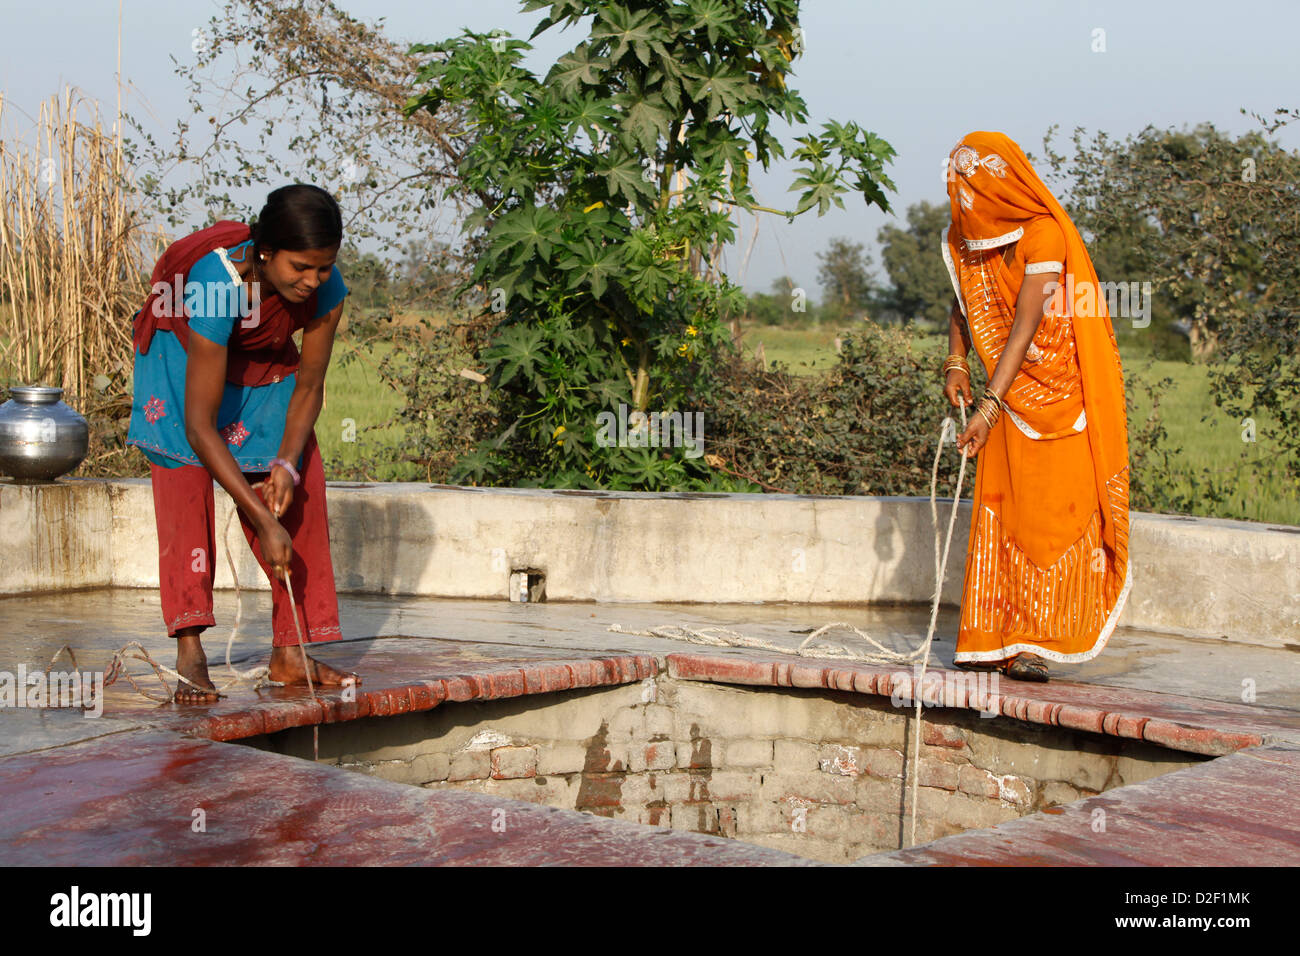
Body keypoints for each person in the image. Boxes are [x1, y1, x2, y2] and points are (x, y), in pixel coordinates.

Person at [128, 184, 361, 702]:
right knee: (185, 476)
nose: (312, 280)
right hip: (184, 360)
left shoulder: (326, 287)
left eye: (323, 267)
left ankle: (291, 650)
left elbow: (309, 387)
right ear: (266, 252)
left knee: (301, 484)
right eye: (300, 267)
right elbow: (200, 426)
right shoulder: (217, 284)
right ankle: (190, 648)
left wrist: (286, 466)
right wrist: (258, 516)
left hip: (265, 362)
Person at [940, 132, 1131, 682]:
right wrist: (955, 362)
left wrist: (991, 405)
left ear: (999, 183)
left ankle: (1036, 643)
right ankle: (996, 639)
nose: (963, 200)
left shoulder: (1045, 234)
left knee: (1056, 518)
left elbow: (1024, 325)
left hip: (1056, 397)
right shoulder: (966, 237)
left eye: (970, 187)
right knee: (1010, 513)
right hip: (1004, 398)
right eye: (957, 187)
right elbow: (964, 303)